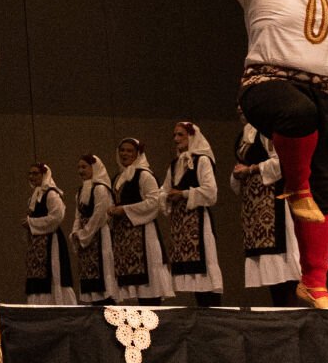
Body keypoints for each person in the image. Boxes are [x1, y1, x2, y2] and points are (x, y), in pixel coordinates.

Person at [209, 0, 328, 307]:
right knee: (296, 112)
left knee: (326, 187)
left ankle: (314, 284)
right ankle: (297, 187)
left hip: (322, 93)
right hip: (267, 82)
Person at [230, 122, 299, 307]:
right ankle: (280, 311)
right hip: (255, 208)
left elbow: (282, 162)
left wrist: (251, 169)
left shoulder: (267, 132)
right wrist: (237, 174)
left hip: (273, 204)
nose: (240, 109)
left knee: (282, 266)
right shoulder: (244, 136)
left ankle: (289, 313)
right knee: (271, 272)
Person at [107, 137, 172, 304]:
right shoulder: (118, 178)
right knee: (134, 287)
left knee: (148, 285)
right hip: (124, 238)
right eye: (122, 150)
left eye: (129, 151)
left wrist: (125, 209)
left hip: (144, 235)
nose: (125, 154)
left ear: (138, 154)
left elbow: (154, 202)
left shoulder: (144, 175)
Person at [164, 121, 222, 306]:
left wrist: (183, 194)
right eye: (174, 135)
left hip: (198, 223)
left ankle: (213, 312)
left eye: (180, 135)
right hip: (182, 226)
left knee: (204, 274)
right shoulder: (175, 164)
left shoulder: (202, 160)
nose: (176, 139)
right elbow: (163, 190)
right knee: (194, 278)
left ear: (192, 137)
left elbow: (211, 192)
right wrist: (166, 196)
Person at [22, 163, 75, 304]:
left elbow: (56, 217)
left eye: (35, 173)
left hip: (51, 242)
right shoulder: (35, 196)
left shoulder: (51, 194)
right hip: (37, 243)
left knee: (52, 274)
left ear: (44, 175)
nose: (32, 176)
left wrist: (32, 223)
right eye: (30, 173)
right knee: (37, 277)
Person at [71, 155, 119, 305]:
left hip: (99, 235)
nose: (80, 170)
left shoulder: (100, 189)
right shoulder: (80, 191)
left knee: (103, 273)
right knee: (89, 278)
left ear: (94, 168)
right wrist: (75, 233)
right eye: (79, 167)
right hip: (86, 238)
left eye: (84, 167)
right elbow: (78, 215)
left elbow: (99, 215)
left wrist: (84, 234)